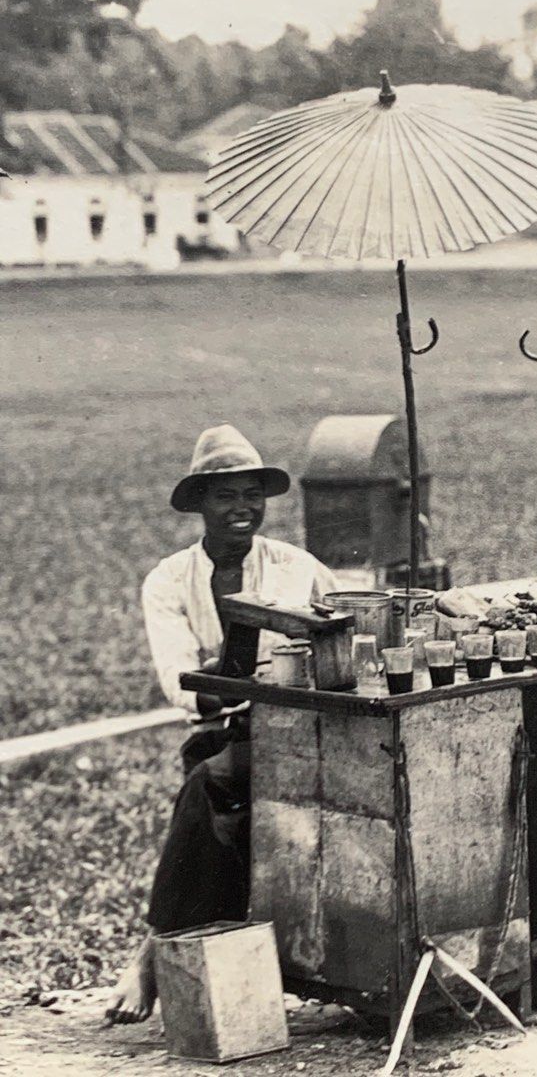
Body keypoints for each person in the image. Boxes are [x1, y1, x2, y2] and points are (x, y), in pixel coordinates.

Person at [105, 424, 338, 1024]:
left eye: (252, 495)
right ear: (201, 505)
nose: (242, 509)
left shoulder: (298, 567)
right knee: (211, 783)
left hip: (300, 729)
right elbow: (182, 683)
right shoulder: (169, 581)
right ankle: (180, 954)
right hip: (225, 729)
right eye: (225, 496)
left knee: (213, 786)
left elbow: (345, 637)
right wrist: (239, 675)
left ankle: (157, 951)